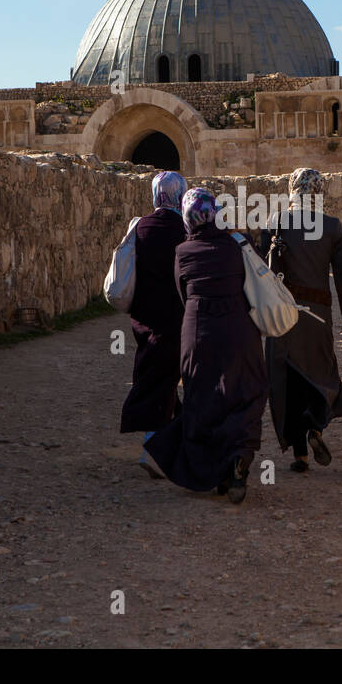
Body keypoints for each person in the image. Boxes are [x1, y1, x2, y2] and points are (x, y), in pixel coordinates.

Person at [145, 188, 268, 504]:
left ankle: (213, 469)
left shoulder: (183, 251)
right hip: (240, 329)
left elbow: (182, 294)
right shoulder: (239, 244)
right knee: (244, 391)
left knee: (203, 396)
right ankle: (240, 454)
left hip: (198, 330)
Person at [257, 168, 342, 473]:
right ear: (319, 190)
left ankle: (299, 454)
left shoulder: (274, 223)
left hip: (281, 315)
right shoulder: (332, 227)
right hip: (318, 315)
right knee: (319, 372)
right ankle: (315, 428)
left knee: (287, 377)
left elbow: (261, 271)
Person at [119, 171, 187, 478]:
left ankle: (168, 444)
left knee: (157, 373)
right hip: (179, 316)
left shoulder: (140, 226)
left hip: (145, 316)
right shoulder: (187, 229)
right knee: (168, 376)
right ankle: (153, 449)